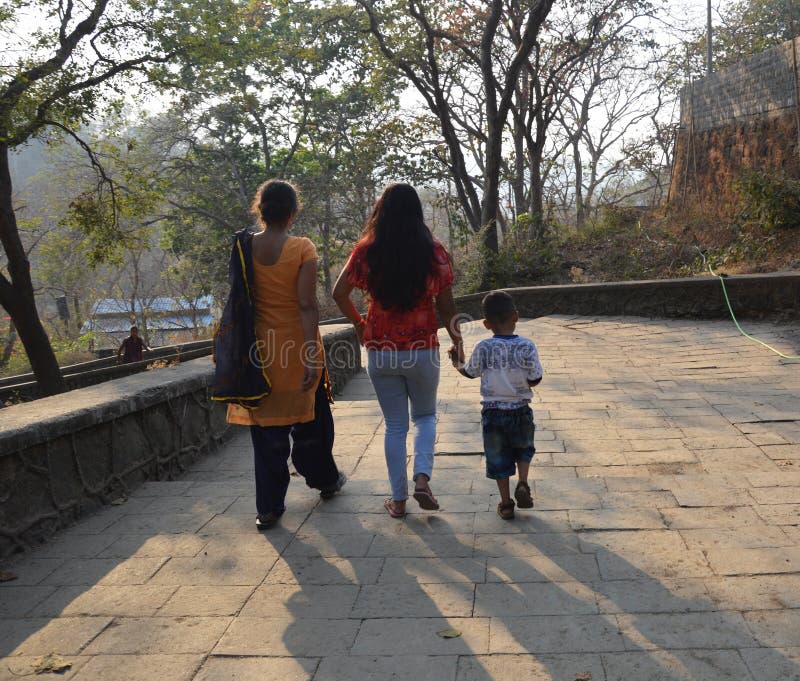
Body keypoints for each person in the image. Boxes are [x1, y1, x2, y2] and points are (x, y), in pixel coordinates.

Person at [333, 183, 462, 518]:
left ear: (382, 211)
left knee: (394, 425)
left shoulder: (367, 251)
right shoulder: (433, 251)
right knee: (425, 416)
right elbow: (447, 309)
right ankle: (422, 478)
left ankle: (399, 499)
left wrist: (360, 323)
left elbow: (338, 293)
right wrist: (458, 344)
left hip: (381, 349)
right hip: (422, 349)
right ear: (417, 212)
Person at [227, 179, 346, 530]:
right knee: (312, 424)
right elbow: (307, 306)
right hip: (295, 350)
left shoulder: (243, 247)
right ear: (292, 214)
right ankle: (325, 481)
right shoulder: (301, 248)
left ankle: (269, 508)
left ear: (259, 210)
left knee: (265, 436)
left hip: (258, 355)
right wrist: (311, 356)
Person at [451, 291, 543, 520]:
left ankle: (506, 503)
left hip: (493, 413)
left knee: (498, 458)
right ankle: (522, 482)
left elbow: (471, 373)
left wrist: (457, 363)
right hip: (521, 409)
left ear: (486, 324)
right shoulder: (526, 345)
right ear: (516, 317)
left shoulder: (484, 347)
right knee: (523, 448)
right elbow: (535, 378)